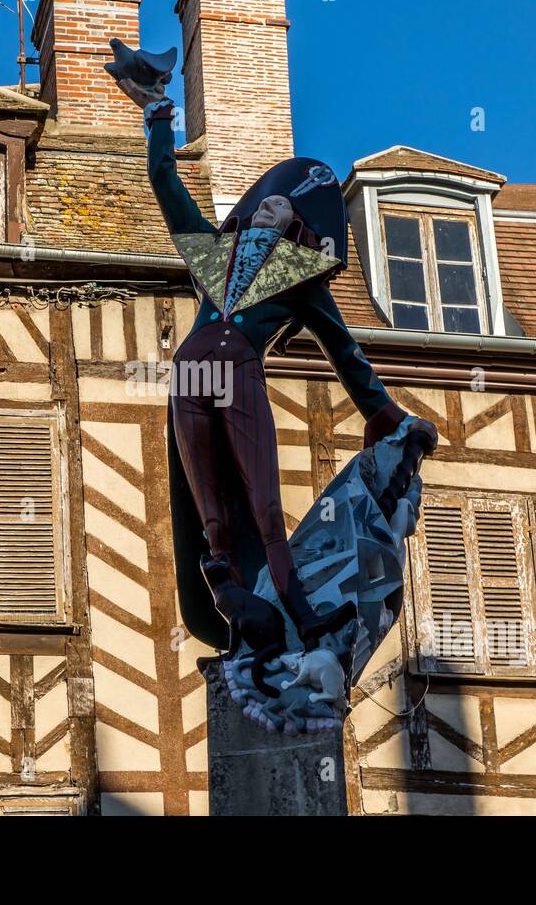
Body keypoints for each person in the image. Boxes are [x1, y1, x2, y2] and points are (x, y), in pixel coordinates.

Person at [113, 71, 438, 669]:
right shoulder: (209, 252)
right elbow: (164, 179)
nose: (266, 205)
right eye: (262, 200)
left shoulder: (302, 277)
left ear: (292, 222)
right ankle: (238, 613)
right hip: (191, 372)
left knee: (263, 505)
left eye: (279, 203)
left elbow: (347, 354)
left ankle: (299, 614)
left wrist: (389, 417)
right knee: (209, 511)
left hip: (238, 369)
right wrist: (159, 112)